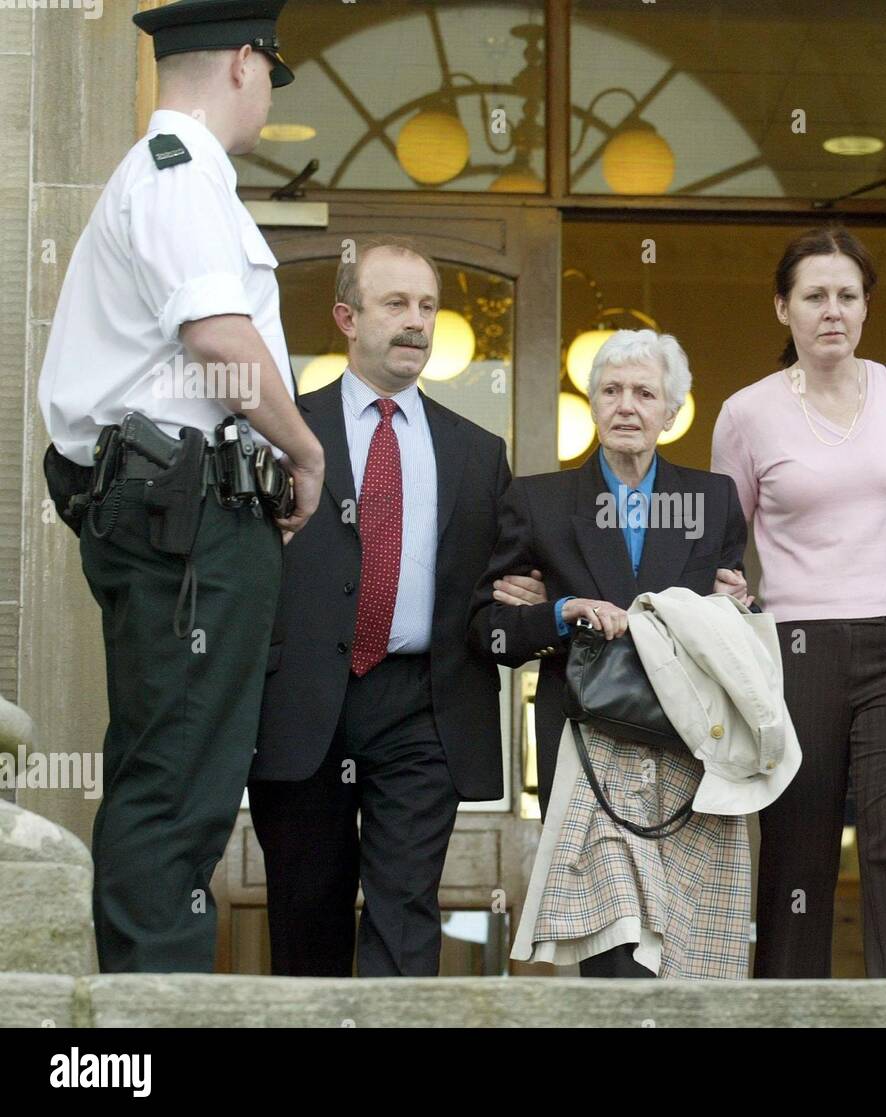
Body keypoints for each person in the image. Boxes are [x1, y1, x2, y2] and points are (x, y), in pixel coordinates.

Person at [36, 0, 323, 973]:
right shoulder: (178, 170)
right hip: (186, 515)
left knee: (171, 767)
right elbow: (218, 340)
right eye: (268, 79)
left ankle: (140, 1006)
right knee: (181, 780)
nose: (265, 103)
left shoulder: (174, 174)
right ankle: (153, 1021)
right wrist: (307, 452)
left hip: (181, 510)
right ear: (246, 61)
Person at [248, 239, 544, 977]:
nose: (416, 323)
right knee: (305, 909)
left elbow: (497, 581)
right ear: (346, 316)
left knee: (404, 908)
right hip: (303, 701)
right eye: (395, 304)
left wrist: (533, 593)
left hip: (423, 705)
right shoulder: (285, 431)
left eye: (427, 306)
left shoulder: (478, 451)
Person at [711, 225, 886, 980]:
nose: (832, 311)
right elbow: (724, 541)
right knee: (796, 853)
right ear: (783, 308)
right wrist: (729, 583)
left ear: (865, 307)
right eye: (814, 295)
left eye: (848, 295)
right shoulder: (747, 412)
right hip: (795, 652)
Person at [469, 329, 750, 977]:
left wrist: (737, 606)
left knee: (681, 952)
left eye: (644, 392)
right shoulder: (537, 502)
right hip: (585, 745)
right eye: (611, 390)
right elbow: (490, 630)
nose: (627, 405)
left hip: (686, 744)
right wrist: (560, 612)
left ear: (672, 412)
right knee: (613, 948)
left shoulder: (712, 502)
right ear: (592, 403)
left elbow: (726, 616)